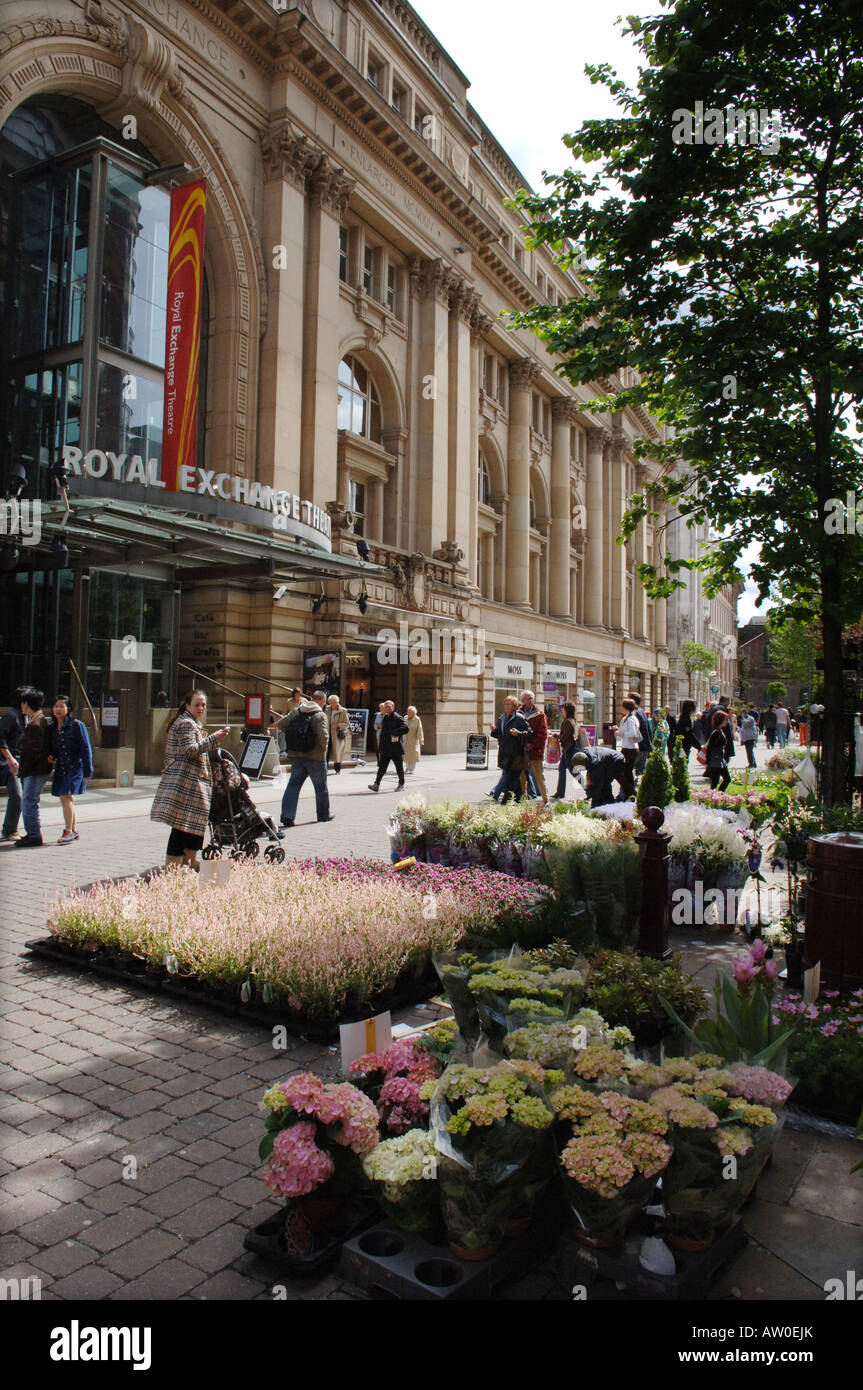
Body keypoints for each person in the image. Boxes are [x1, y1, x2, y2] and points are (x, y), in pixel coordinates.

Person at [151, 690, 229, 867]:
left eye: (203, 705)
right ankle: (175, 864)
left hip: (190, 781)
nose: (201, 708)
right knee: (182, 824)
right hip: (185, 781)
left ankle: (188, 860)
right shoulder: (186, 723)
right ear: (187, 705)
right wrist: (214, 739)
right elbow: (190, 750)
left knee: (192, 822)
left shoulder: (190, 722)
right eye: (197, 704)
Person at [278, 689, 333, 824]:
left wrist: (293, 738)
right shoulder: (320, 715)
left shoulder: (298, 711)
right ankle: (323, 815)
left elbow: (281, 724)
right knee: (320, 787)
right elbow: (323, 736)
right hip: (316, 757)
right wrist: (323, 750)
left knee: (293, 785)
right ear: (322, 701)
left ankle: (287, 815)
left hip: (297, 754)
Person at [48, 695, 93, 845]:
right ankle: (73, 830)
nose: (58, 709)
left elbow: (86, 748)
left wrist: (88, 771)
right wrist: (52, 756)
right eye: (56, 706)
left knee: (66, 796)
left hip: (75, 767)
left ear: (68, 709)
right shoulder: (52, 727)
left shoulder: (76, 725)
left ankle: (67, 831)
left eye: (62, 706)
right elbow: (53, 747)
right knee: (66, 798)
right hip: (61, 767)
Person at [15, 689, 51, 848]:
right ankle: (32, 833)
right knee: (31, 801)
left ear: (26, 704)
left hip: (35, 770)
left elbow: (34, 752)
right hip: (36, 769)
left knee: (28, 801)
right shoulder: (38, 720)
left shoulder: (36, 724)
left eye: (22, 702)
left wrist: (24, 770)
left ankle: (34, 835)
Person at [0, 685, 30, 841]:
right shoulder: (11, 716)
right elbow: (1, 739)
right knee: (17, 795)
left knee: (23, 796)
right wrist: (9, 758)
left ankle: (13, 829)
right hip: (8, 762)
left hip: (21, 761)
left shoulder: (26, 717)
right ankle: (9, 830)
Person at [489, 697, 532, 804]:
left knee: (509, 782)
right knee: (515, 783)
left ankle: (504, 805)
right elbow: (500, 735)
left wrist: (519, 733)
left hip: (516, 756)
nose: (507, 706)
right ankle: (520, 803)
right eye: (505, 704)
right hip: (505, 755)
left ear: (514, 706)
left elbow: (530, 734)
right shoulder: (501, 718)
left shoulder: (520, 718)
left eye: (509, 704)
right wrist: (494, 731)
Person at [368, 701, 409, 791]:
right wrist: (381, 748)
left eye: (389, 707)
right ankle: (376, 784)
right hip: (386, 748)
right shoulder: (385, 717)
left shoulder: (397, 717)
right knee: (382, 767)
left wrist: (395, 732)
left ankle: (401, 784)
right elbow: (383, 733)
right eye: (386, 707)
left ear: (393, 707)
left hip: (395, 748)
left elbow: (406, 728)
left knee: (399, 767)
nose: (387, 708)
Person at [518, 690, 549, 803]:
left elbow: (543, 733)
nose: (531, 700)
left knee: (539, 777)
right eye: (528, 698)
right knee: (522, 778)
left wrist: (533, 744)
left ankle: (546, 800)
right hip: (522, 751)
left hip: (535, 751)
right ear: (523, 700)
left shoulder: (540, 714)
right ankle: (523, 800)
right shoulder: (518, 713)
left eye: (532, 698)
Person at [552, 702, 583, 800]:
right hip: (570, 748)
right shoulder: (573, 720)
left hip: (569, 749)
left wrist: (556, 736)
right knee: (562, 769)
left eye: (563, 708)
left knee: (574, 771)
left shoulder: (567, 721)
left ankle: (589, 789)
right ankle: (560, 792)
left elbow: (565, 736)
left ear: (566, 710)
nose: (562, 710)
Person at [618, 697, 641, 800]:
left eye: (623, 706)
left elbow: (632, 733)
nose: (621, 708)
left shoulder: (631, 719)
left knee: (622, 772)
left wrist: (621, 733)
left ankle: (631, 792)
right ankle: (628, 794)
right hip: (628, 747)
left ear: (626, 708)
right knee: (627, 772)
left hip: (630, 749)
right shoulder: (628, 717)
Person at [705, 708, 732, 791]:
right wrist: (708, 760)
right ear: (721, 720)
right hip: (716, 760)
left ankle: (718, 795)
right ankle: (715, 797)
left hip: (720, 760)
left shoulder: (719, 731)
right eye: (725, 720)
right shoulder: (717, 733)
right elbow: (710, 748)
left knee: (724, 779)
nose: (726, 722)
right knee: (716, 781)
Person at [628, 692, 653, 774]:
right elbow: (648, 729)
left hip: (639, 747)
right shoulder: (641, 711)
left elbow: (634, 731)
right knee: (639, 771)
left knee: (629, 769)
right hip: (644, 745)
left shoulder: (635, 713)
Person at [327, 694, 352, 773]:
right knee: (326, 751)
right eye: (331, 702)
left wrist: (338, 725)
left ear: (337, 702)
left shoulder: (343, 711)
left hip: (337, 734)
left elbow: (347, 723)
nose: (332, 704)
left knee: (337, 752)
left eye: (334, 702)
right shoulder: (327, 709)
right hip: (327, 733)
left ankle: (337, 768)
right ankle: (325, 768)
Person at [403, 705, 424, 774]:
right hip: (406, 739)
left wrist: (421, 740)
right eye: (408, 712)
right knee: (406, 754)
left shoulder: (417, 719)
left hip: (414, 739)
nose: (408, 713)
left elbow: (419, 730)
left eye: (410, 712)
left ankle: (412, 768)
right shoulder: (405, 718)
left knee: (413, 754)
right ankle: (407, 767)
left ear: (414, 713)